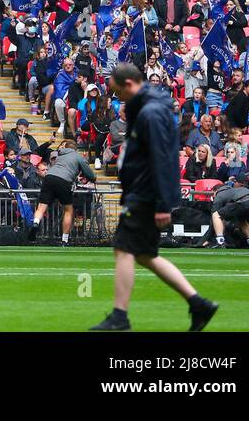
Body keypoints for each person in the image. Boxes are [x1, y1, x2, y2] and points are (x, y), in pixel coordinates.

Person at [91, 63, 218, 331]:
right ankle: (199, 304)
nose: (118, 99)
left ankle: (120, 316)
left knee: (124, 248)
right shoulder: (148, 110)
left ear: (129, 85)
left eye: (118, 93)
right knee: (145, 254)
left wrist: (162, 204)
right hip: (143, 191)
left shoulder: (150, 113)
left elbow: (163, 159)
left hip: (146, 194)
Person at [30, 139, 96, 245]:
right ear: (75, 149)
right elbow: (89, 173)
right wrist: (93, 178)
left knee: (41, 207)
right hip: (63, 180)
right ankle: (64, 239)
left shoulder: (59, 155)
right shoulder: (78, 156)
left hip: (49, 177)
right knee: (68, 210)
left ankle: (35, 223)